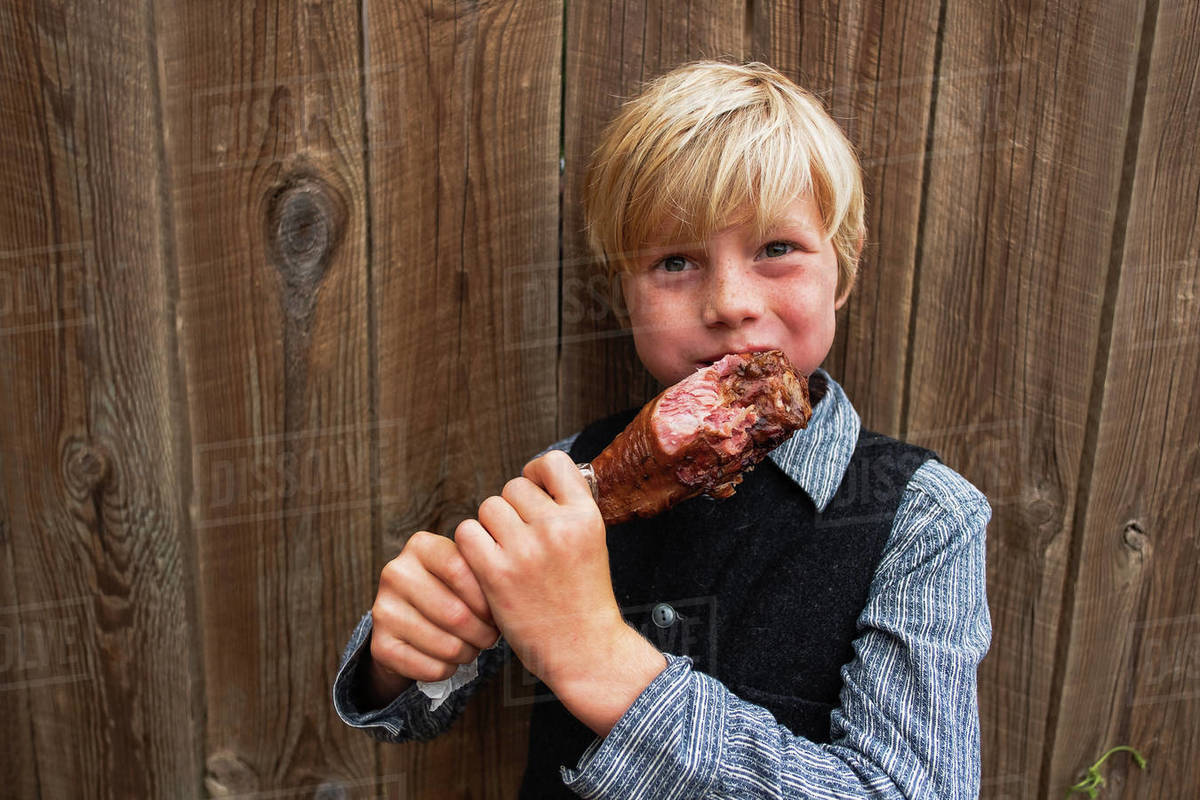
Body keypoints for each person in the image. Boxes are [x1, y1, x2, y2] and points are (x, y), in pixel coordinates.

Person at [332, 59, 991, 799]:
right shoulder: (570, 474)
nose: (730, 303)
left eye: (776, 249)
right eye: (675, 261)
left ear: (842, 268)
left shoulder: (925, 519)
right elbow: (415, 713)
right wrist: (407, 655)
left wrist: (598, 659)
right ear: (622, 298)